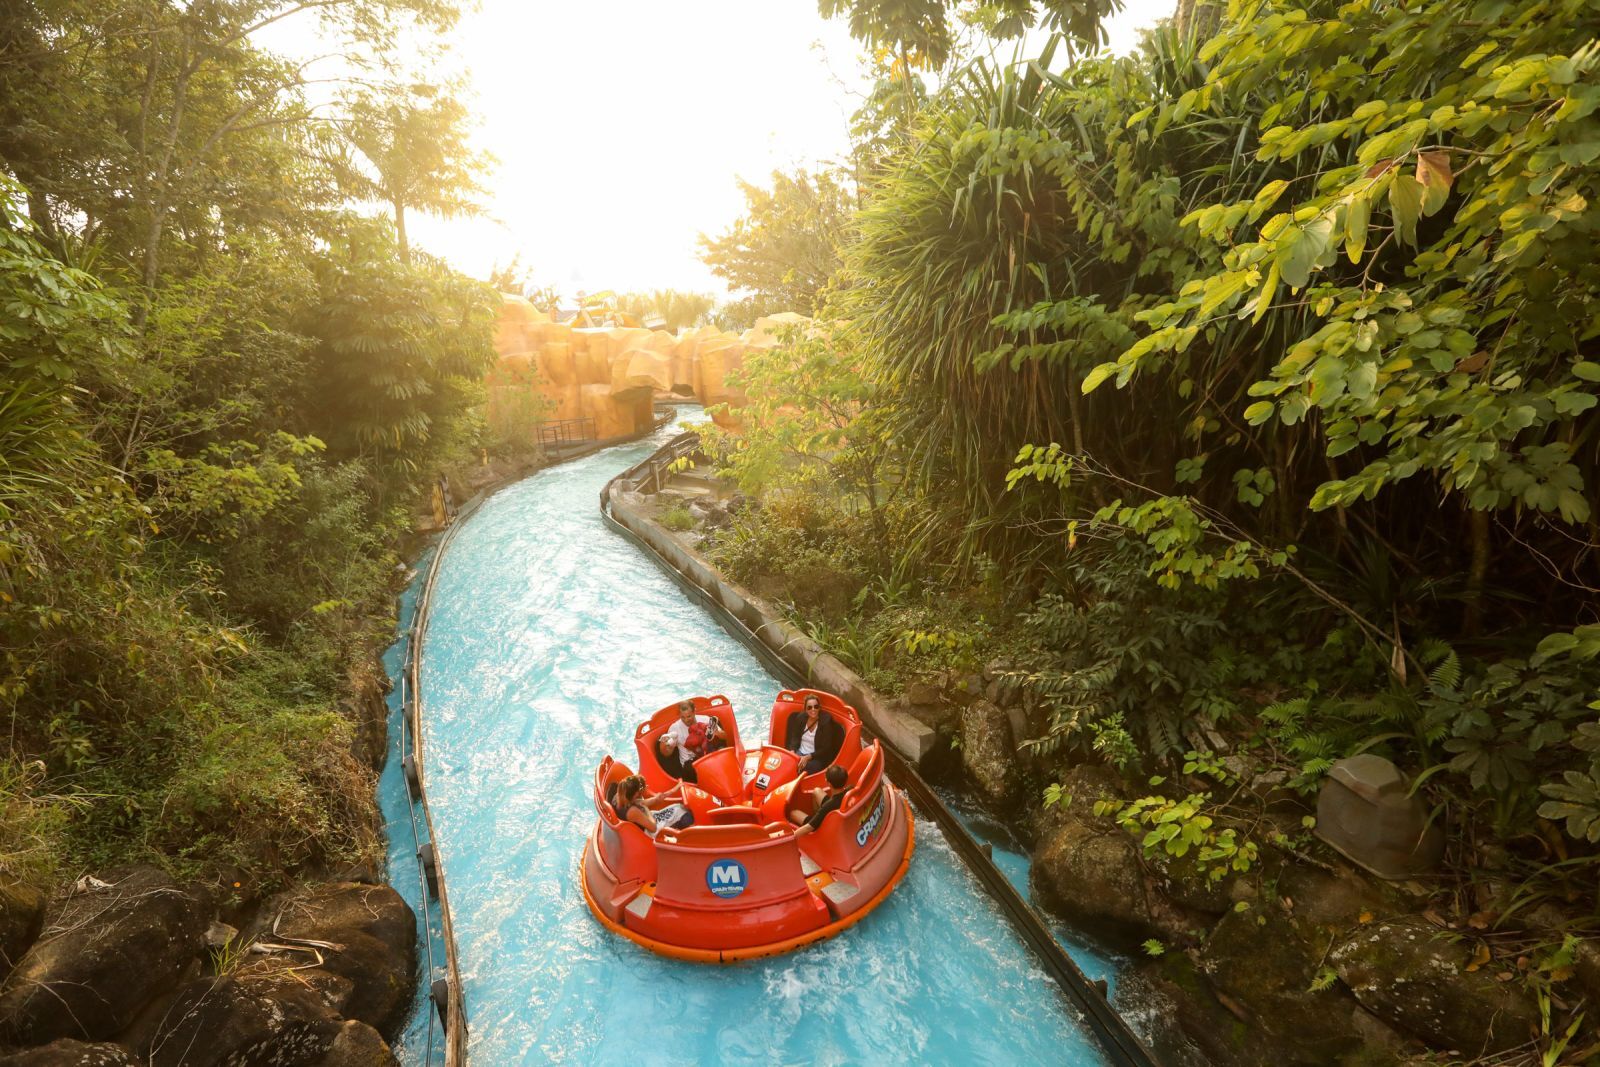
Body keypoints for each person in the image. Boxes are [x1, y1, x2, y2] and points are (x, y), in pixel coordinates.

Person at [660, 699, 725, 782]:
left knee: (721, 751)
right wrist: (665, 745)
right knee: (695, 767)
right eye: (682, 717)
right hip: (690, 762)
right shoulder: (675, 728)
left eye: (689, 716)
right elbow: (666, 754)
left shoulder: (705, 720)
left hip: (708, 754)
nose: (686, 720)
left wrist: (717, 733)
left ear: (694, 712)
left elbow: (725, 736)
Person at [607, 774, 692, 835]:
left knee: (678, 807)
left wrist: (672, 790)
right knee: (685, 814)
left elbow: (646, 802)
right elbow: (653, 828)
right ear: (635, 794)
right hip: (650, 831)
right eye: (639, 793)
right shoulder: (632, 811)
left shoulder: (619, 795)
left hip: (647, 819)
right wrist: (645, 808)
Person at [783, 694, 842, 774]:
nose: (813, 709)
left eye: (816, 706)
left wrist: (808, 757)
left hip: (816, 757)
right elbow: (795, 737)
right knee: (787, 763)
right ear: (805, 709)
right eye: (809, 707)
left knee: (800, 768)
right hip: (800, 752)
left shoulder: (825, 722)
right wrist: (792, 751)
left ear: (819, 708)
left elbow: (826, 748)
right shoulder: (801, 718)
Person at [790, 764, 849, 838]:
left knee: (793, 813)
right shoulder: (849, 790)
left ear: (829, 783)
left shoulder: (827, 806)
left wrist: (790, 837)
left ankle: (816, 819)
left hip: (822, 826)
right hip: (835, 810)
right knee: (816, 791)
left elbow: (808, 828)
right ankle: (816, 816)